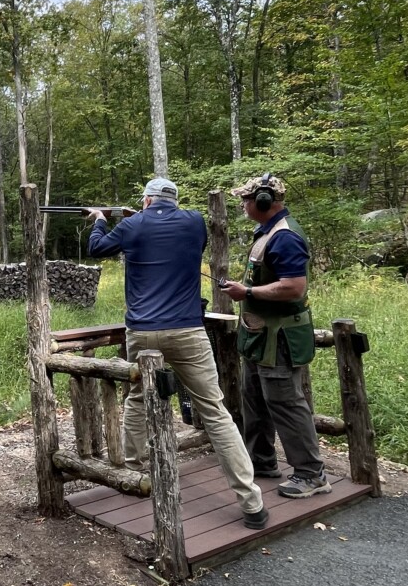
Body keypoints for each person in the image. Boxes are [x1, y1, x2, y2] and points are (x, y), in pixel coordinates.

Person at [86, 177, 268, 531]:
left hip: (143, 331)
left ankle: (135, 474)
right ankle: (251, 502)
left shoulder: (131, 225)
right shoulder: (195, 221)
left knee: (137, 400)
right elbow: (176, 237)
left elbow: (98, 249)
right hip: (187, 329)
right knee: (215, 411)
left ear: (146, 201)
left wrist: (99, 219)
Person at [219, 174, 330, 499]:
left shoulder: (285, 237)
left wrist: (248, 291)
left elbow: (294, 286)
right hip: (259, 335)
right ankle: (262, 460)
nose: (243, 205)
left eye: (246, 200)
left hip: (279, 338)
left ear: (264, 202)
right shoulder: (268, 233)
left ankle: (312, 474)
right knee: (254, 398)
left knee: (286, 403)